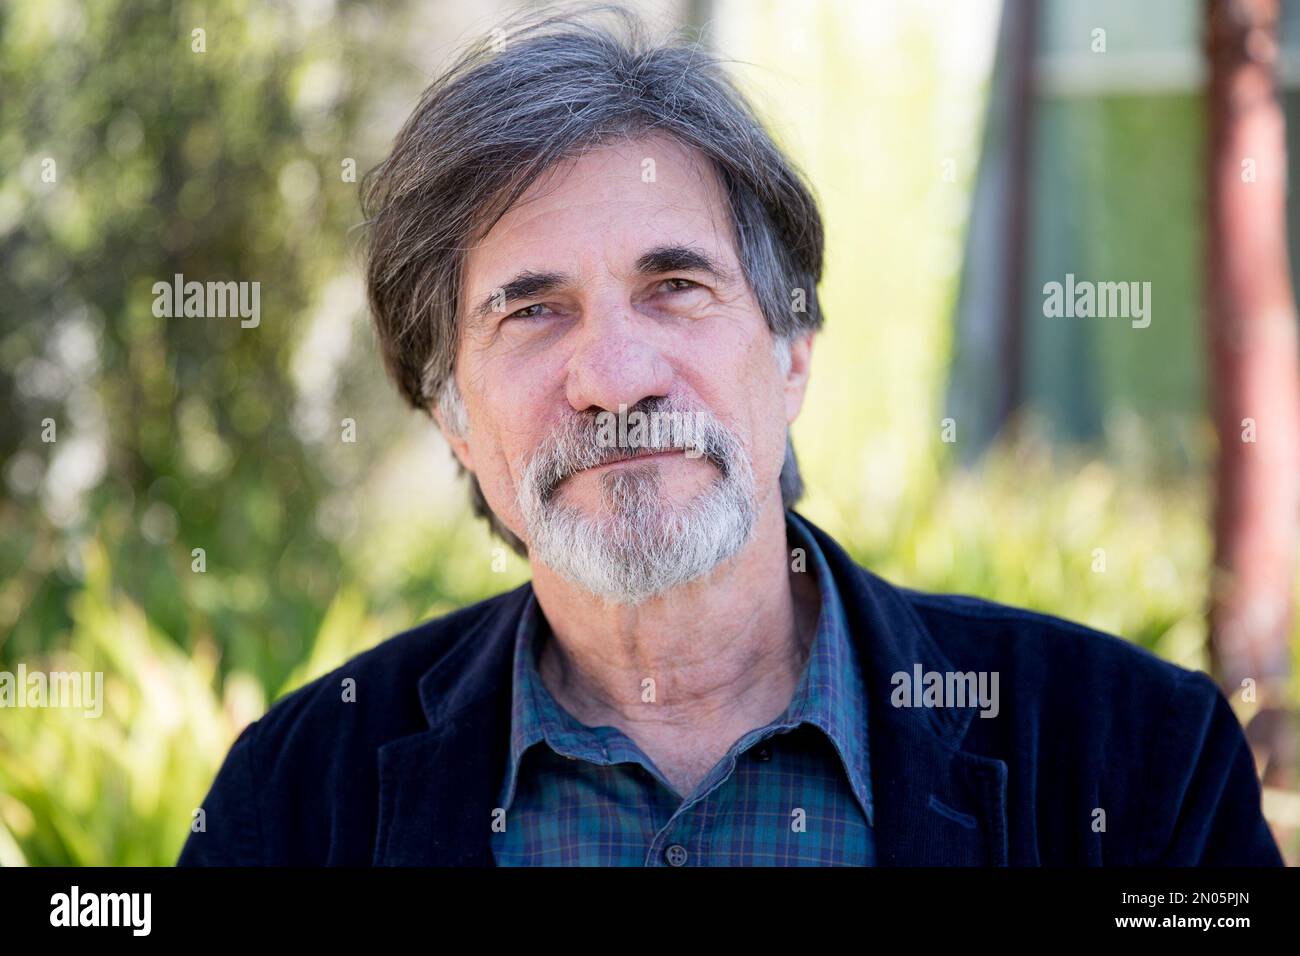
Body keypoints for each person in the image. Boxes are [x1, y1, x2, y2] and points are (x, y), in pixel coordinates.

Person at [178, 3, 1283, 866]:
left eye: (674, 286)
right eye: (530, 310)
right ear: (451, 414)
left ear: (791, 349)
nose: (613, 377)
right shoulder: (293, 803)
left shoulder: (1135, 760)